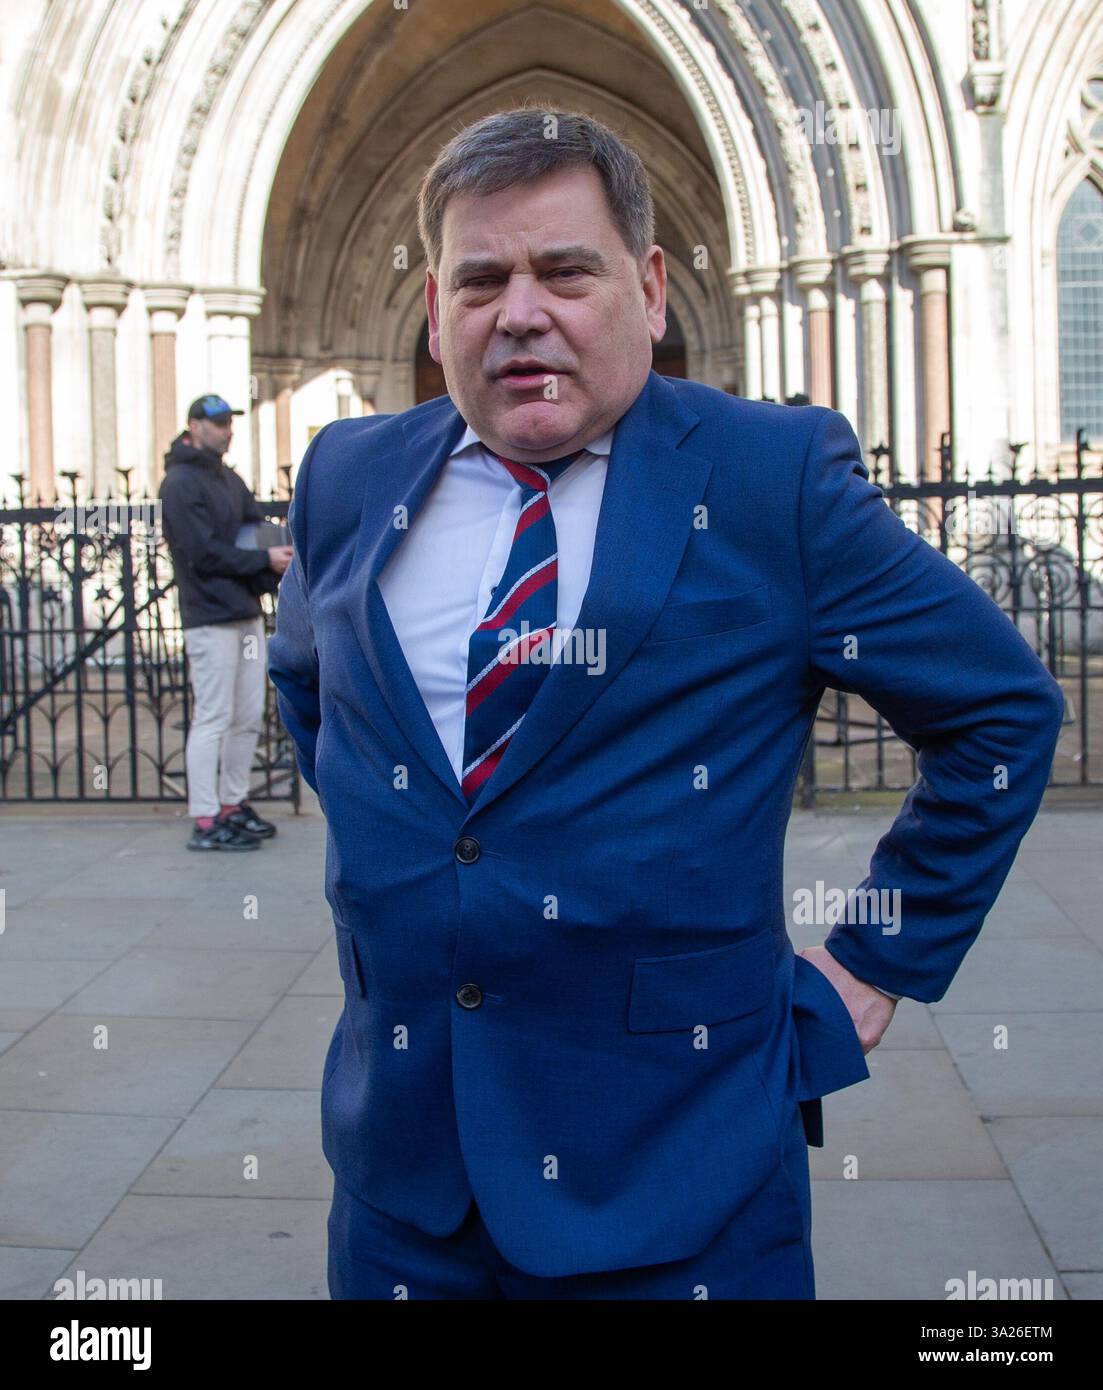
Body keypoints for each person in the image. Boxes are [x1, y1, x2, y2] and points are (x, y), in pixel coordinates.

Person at [267, 108, 1064, 1299]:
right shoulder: (348, 471)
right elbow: (317, 688)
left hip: (674, 1183)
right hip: (401, 1190)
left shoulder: (765, 478)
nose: (519, 309)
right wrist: (420, 860)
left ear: (645, 288)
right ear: (434, 310)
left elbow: (1000, 711)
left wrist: (875, 962)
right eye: (479, 277)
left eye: (564, 270)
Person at [159, 394, 293, 851]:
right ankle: (204, 817)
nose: (226, 430)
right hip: (209, 617)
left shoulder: (229, 479)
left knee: (246, 715)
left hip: (244, 612)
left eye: (229, 422)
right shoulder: (179, 483)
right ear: (193, 426)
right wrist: (263, 558)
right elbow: (202, 552)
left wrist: (273, 560)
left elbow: (255, 527)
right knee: (213, 716)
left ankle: (234, 804)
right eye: (217, 423)